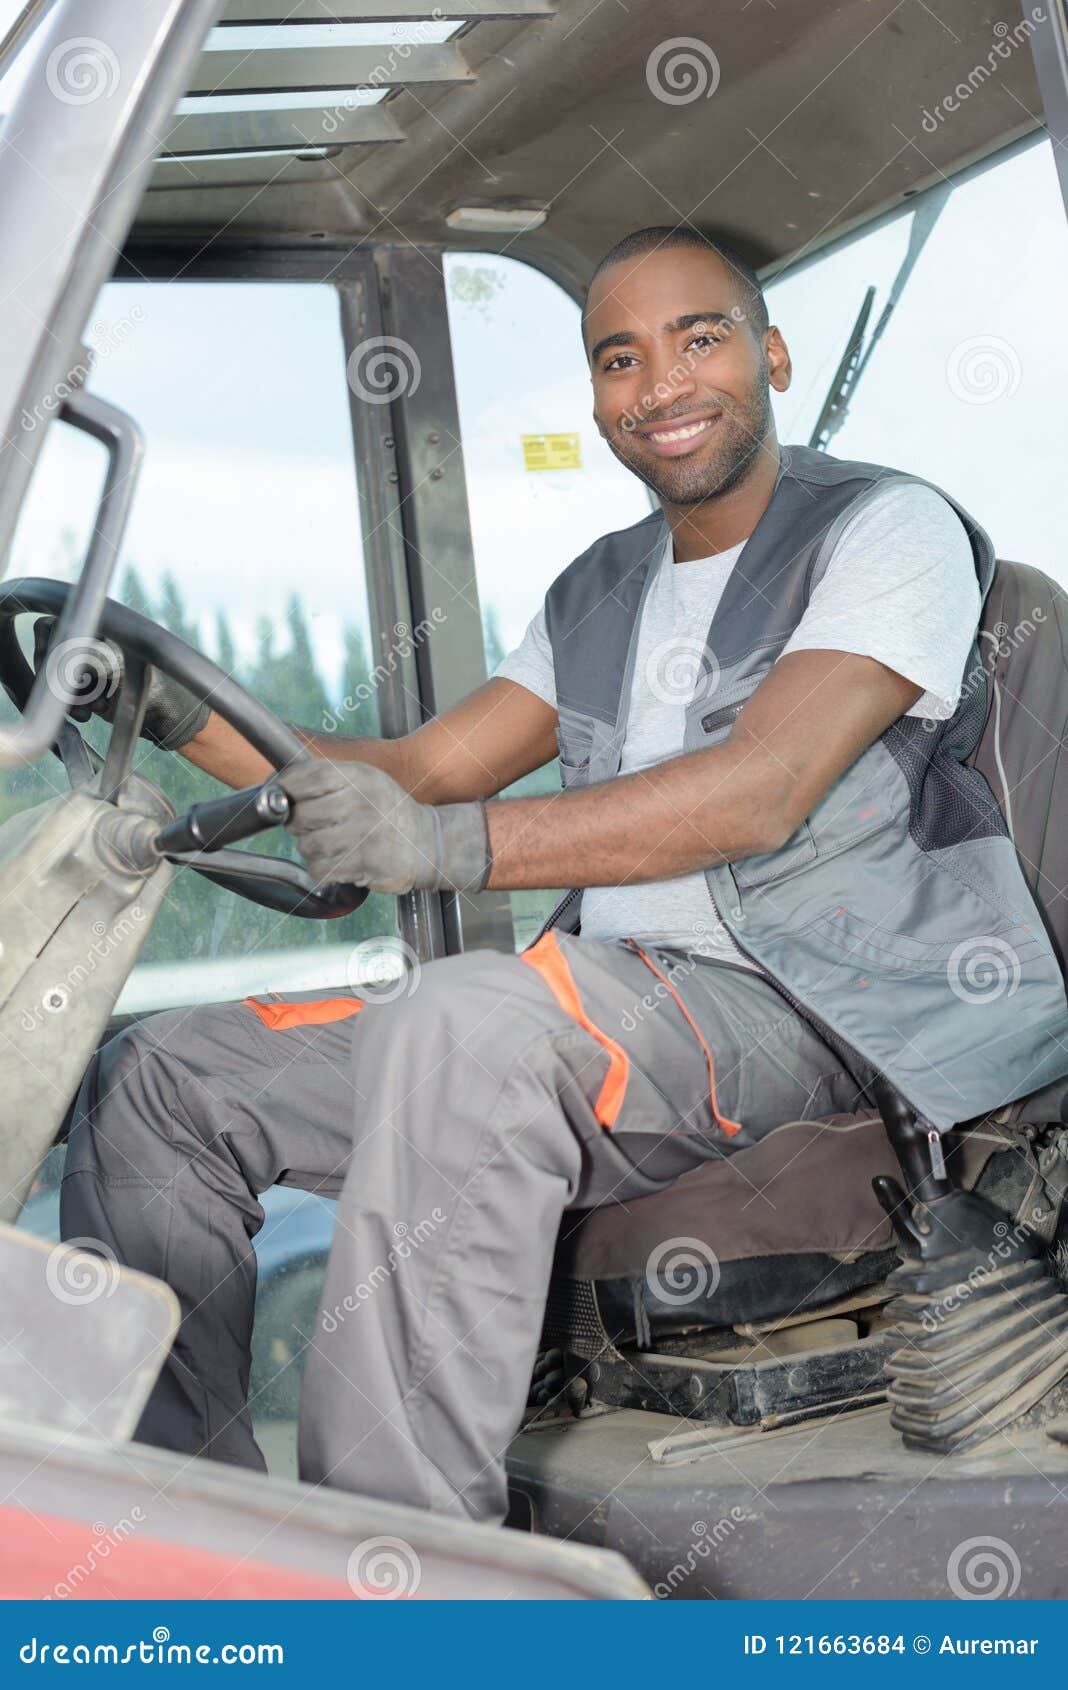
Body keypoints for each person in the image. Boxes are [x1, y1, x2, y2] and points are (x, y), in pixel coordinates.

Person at [58, 226, 1068, 1525]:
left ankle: (401, 1569)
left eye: (699, 339)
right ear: (596, 396)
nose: (662, 384)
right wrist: (168, 707)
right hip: (619, 995)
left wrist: (451, 845)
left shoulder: (884, 529)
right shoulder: (600, 586)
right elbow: (420, 767)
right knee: (163, 1080)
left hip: (819, 999)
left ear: (771, 355)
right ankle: (183, 1535)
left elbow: (761, 788)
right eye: (620, 358)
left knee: (470, 1020)